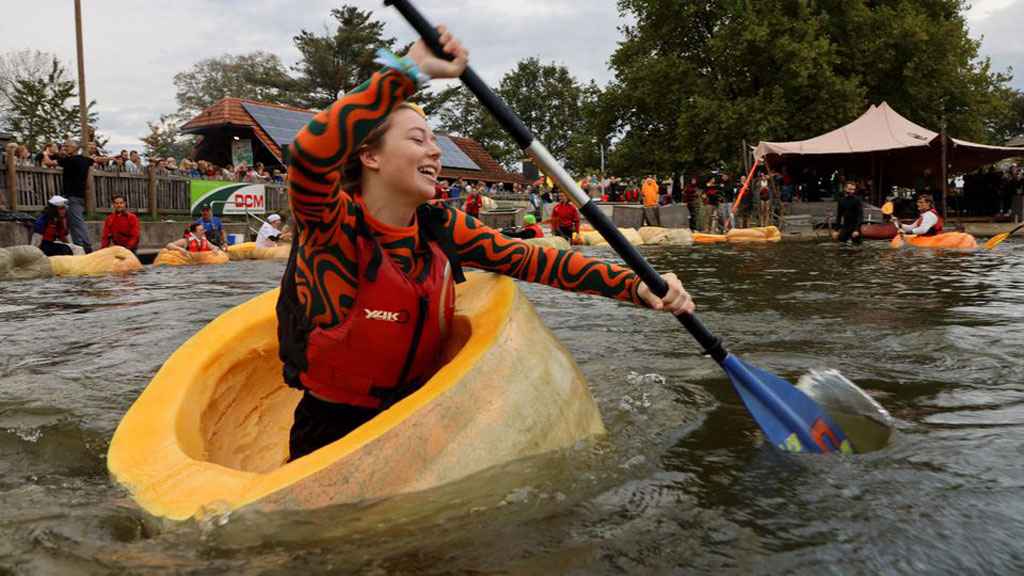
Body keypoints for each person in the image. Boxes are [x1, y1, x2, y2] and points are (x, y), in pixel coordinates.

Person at [276, 28, 694, 461]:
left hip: (418, 413)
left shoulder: (442, 227)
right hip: (332, 427)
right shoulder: (331, 225)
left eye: (435, 142)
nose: (435, 153)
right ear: (370, 156)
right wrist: (406, 72)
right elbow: (309, 156)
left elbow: (536, 262)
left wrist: (637, 286)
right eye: (418, 139)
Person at [41, 140, 113, 254]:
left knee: (77, 221)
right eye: (64, 146)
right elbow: (95, 159)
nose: (65, 148)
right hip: (79, 195)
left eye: (67, 146)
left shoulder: (69, 161)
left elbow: (48, 162)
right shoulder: (84, 159)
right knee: (71, 221)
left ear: (75, 148)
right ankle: (78, 243)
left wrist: (44, 153)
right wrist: (110, 158)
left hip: (73, 195)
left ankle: (85, 245)